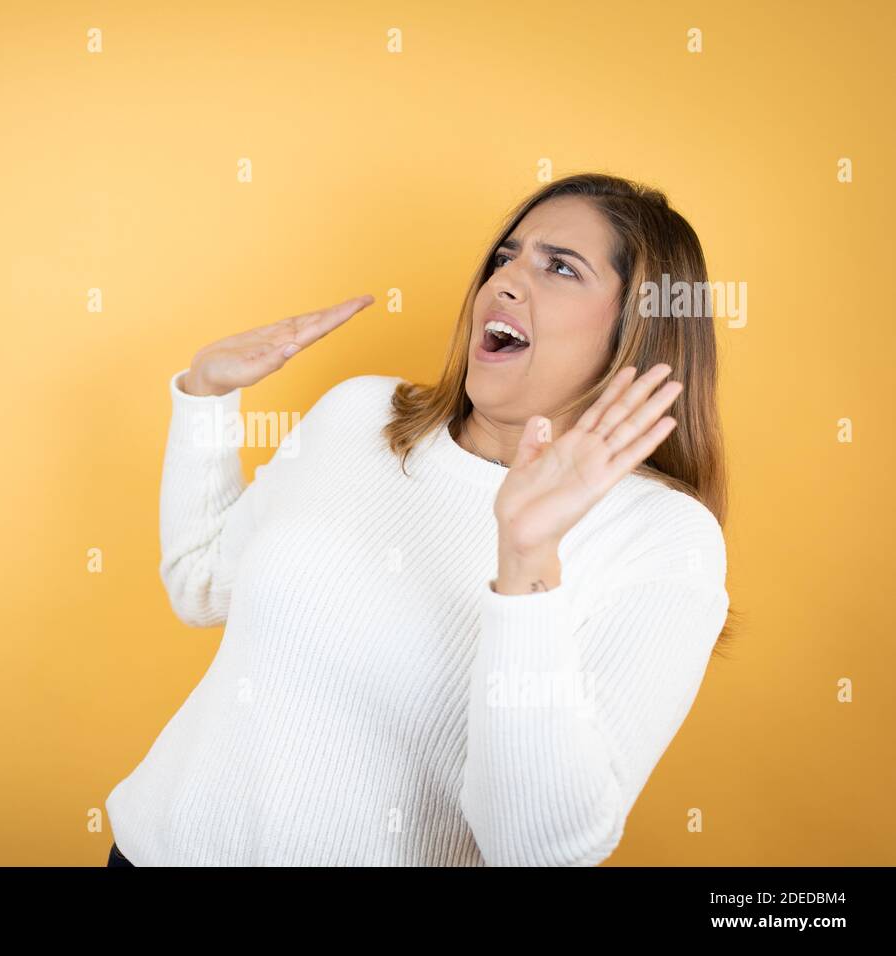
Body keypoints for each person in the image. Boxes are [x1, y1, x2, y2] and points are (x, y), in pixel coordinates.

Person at [104, 172, 734, 866]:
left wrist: (526, 565)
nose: (505, 282)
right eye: (506, 256)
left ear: (637, 327)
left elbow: (538, 849)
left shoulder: (663, 537)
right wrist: (205, 397)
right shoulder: (361, 415)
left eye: (560, 267)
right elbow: (201, 585)